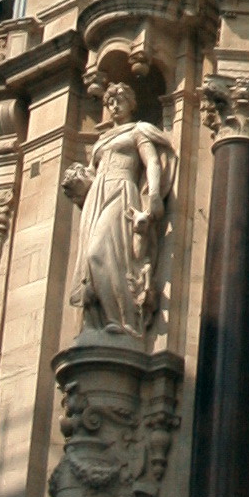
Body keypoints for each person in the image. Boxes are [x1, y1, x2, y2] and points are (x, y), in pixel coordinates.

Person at [63, 81, 176, 337]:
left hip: (122, 192)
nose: (114, 105)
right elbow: (91, 174)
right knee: (91, 259)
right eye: (110, 101)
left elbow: (153, 163)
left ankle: (124, 319)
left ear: (131, 104)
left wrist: (155, 195)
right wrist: (77, 180)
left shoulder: (138, 131)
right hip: (97, 196)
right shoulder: (102, 140)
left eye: (120, 100)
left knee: (98, 253)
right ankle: (101, 319)